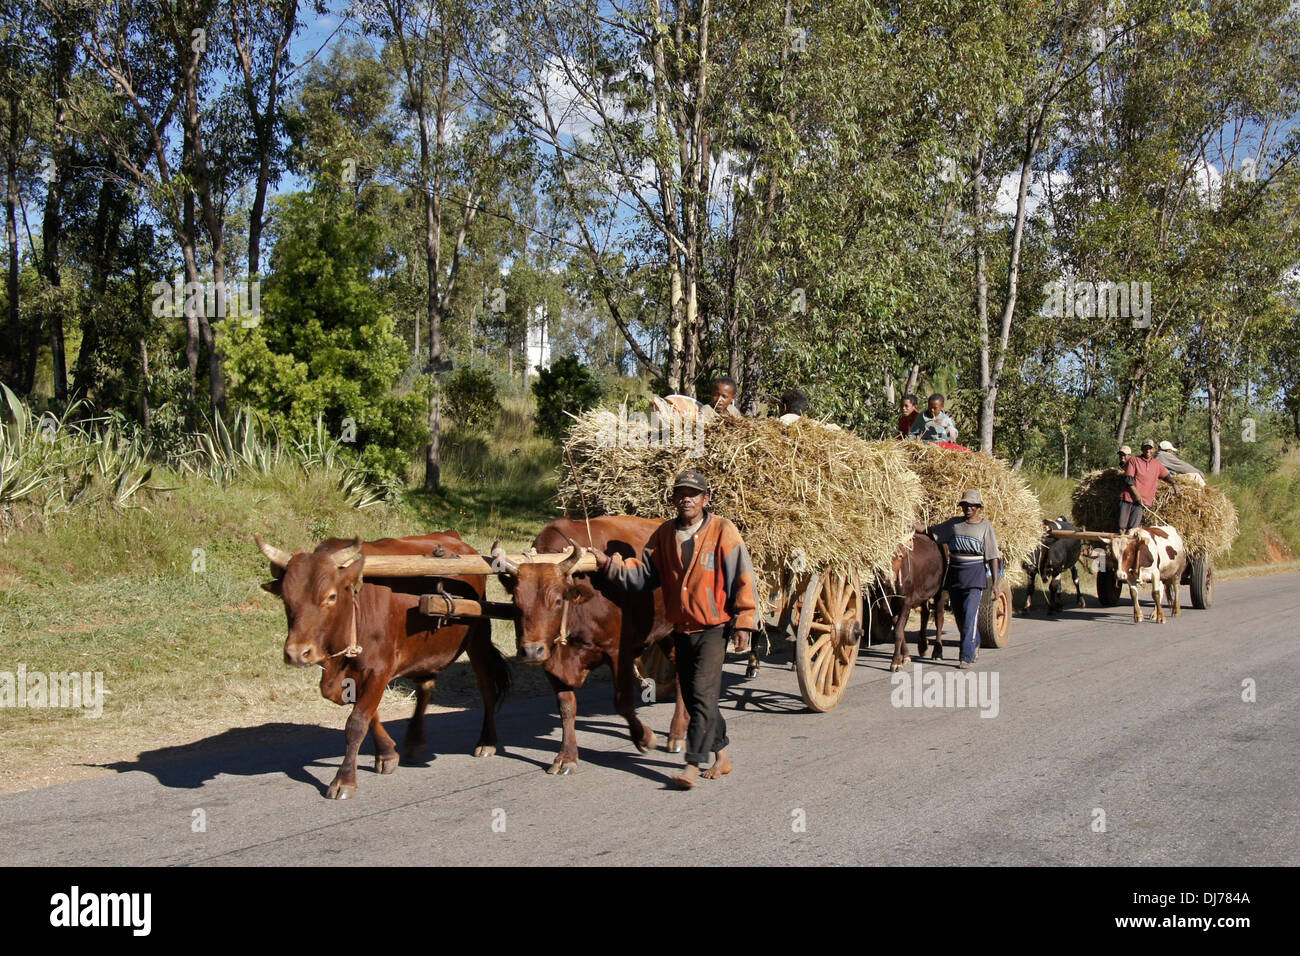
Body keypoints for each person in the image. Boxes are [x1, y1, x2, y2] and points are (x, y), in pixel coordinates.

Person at [592, 470, 757, 790]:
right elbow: (642, 576)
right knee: (699, 695)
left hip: (713, 627)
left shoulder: (723, 531)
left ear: (705, 499)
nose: (686, 498)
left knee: (703, 695)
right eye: (680, 493)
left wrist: (745, 622)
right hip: (681, 629)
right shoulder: (664, 535)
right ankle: (722, 755)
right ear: (673, 499)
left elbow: (743, 578)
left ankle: (692, 765)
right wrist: (608, 565)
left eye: (693, 493)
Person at [926, 490, 999, 668]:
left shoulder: (985, 526)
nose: (969, 508)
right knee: (959, 616)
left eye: (972, 505)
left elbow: (992, 556)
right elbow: (932, 531)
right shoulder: (954, 524)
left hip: (975, 575)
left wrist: (995, 583)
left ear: (978, 508)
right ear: (962, 506)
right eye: (966, 505)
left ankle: (965, 656)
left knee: (969, 616)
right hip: (956, 574)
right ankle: (975, 642)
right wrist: (914, 526)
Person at [1119, 439, 1179, 532]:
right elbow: (1129, 480)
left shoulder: (1157, 464)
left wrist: (1174, 483)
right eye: (1145, 448)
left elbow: (1166, 476)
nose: (1148, 451)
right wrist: (1136, 494)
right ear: (1141, 449)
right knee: (1122, 527)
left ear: (1154, 450)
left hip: (1142, 502)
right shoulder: (1134, 460)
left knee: (1133, 529)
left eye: (1150, 448)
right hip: (1128, 498)